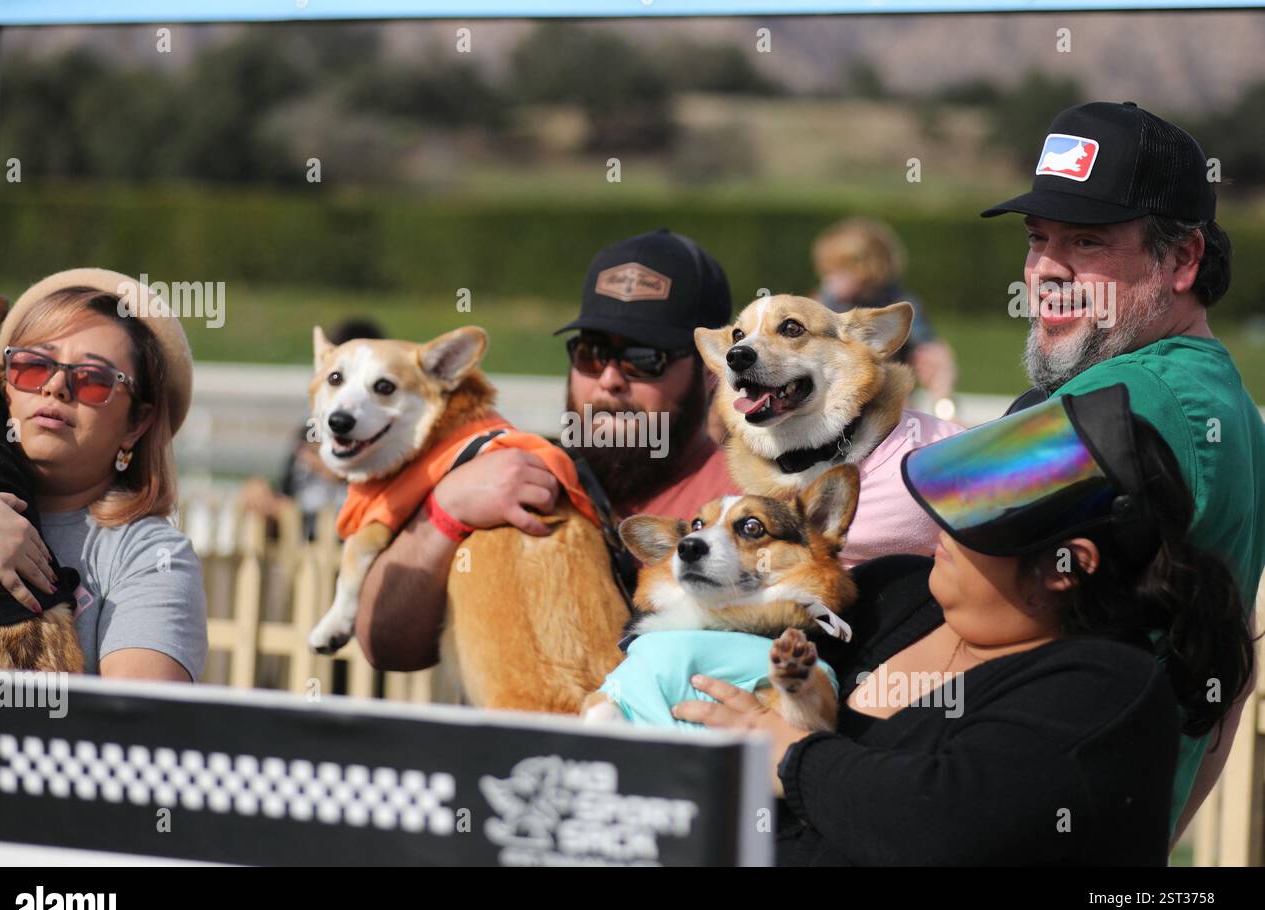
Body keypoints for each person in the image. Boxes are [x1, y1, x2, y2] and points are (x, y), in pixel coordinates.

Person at [674, 387, 1255, 865]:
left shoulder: (1106, 687)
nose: (938, 526)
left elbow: (940, 823)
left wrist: (790, 756)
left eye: (976, 521)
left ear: (1065, 569)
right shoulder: (892, 591)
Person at [980, 101, 1265, 839]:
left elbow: (941, 522)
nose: (1045, 270)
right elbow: (1232, 681)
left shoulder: (1128, 398)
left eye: (1086, 241)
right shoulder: (1226, 398)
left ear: (1182, 259)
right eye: (1037, 238)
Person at [354, 228, 739, 671]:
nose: (610, 379)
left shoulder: (750, 506)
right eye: (591, 353)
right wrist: (446, 507)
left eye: (643, 357)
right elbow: (386, 647)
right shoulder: (514, 480)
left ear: (713, 371)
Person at [0, 269, 207, 681]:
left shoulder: (147, 556)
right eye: (32, 365)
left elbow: (133, 727)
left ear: (137, 423)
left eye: (94, 379)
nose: (56, 385)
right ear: (2, 383)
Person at [240, 316, 385, 542]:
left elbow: (391, 509)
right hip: (301, 560)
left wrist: (346, 476)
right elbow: (287, 495)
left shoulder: (386, 439)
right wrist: (264, 495)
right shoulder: (309, 432)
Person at [812, 218, 958, 417]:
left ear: (869, 270)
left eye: (840, 272)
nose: (829, 281)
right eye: (828, 272)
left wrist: (939, 384)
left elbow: (925, 348)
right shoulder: (824, 303)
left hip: (893, 400)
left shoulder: (901, 304)